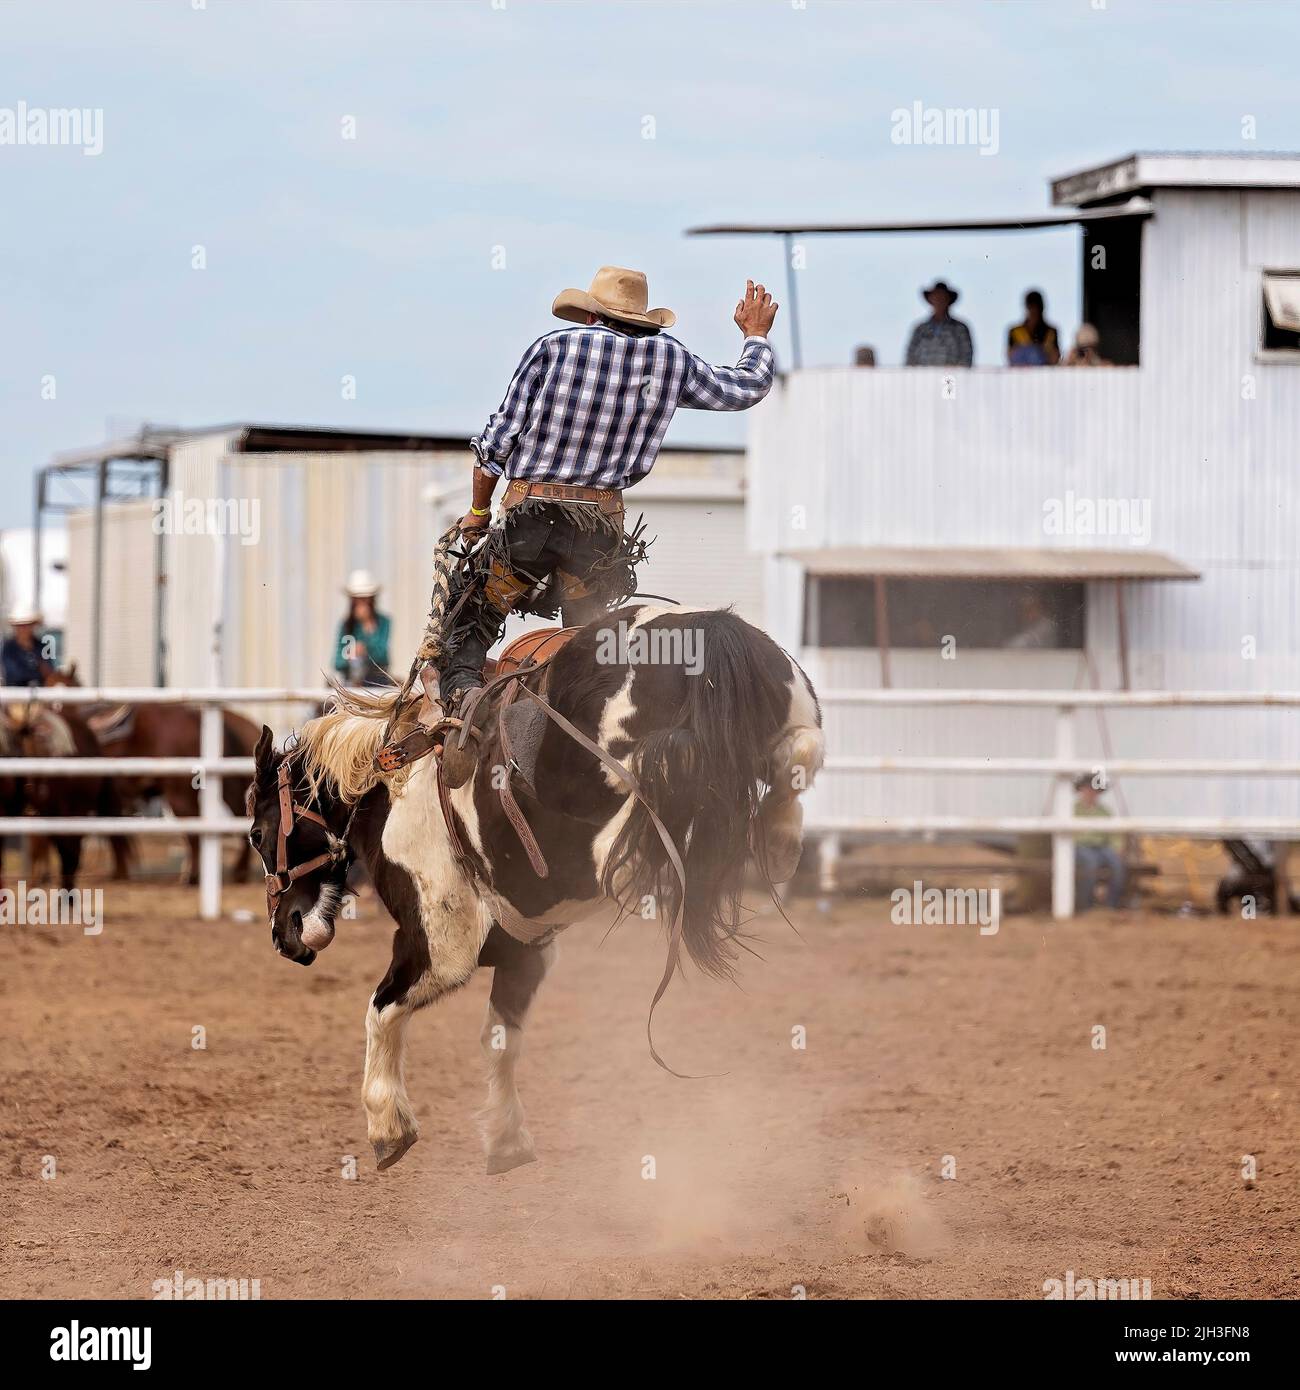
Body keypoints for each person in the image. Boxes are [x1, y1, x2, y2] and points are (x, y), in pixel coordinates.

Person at [434, 265, 778, 743]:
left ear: (592, 315)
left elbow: (497, 442)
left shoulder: (552, 348)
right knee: (590, 638)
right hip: (597, 532)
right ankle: (592, 722)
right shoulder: (670, 360)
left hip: (531, 520)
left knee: (468, 619)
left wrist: (476, 514)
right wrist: (756, 336)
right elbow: (746, 388)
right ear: (643, 318)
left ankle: (465, 710)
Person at [1074, 777, 1128, 910]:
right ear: (1081, 790)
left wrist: (1118, 847)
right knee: (1090, 863)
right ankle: (1086, 904)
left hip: (1101, 847)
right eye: (1088, 789)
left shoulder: (1105, 811)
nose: (1091, 792)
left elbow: (1114, 833)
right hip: (1081, 846)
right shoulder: (1073, 810)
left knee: (1117, 864)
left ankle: (1112, 904)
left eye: (1094, 789)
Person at [334, 570, 392, 685]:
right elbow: (337, 662)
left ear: (372, 599)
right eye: (358, 599)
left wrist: (367, 627)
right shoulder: (346, 625)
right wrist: (350, 655)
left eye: (365, 598)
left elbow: (383, 657)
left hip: (377, 684)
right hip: (350, 685)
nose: (361, 602)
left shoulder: (383, 623)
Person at [904, 280, 973, 367]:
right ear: (930, 300)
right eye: (936, 296)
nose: (939, 300)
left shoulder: (960, 329)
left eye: (943, 297)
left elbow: (966, 359)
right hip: (924, 378)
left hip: (950, 379)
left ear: (949, 300)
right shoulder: (920, 329)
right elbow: (910, 359)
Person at [2, 604, 53, 686]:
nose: (23, 629)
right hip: (15, 695)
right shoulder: (8, 648)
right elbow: (13, 674)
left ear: (33, 625)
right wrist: (37, 671)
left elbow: (49, 673)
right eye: (19, 625)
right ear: (15, 627)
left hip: (41, 694)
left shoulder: (43, 647)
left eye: (27, 625)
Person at [1006, 289, 1060, 366]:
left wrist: (1043, 351)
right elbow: (1010, 356)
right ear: (1027, 308)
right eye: (1031, 307)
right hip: (1022, 373)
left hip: (1044, 373)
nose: (1034, 311)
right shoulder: (1015, 331)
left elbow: (1056, 358)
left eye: (1037, 307)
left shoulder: (1050, 332)